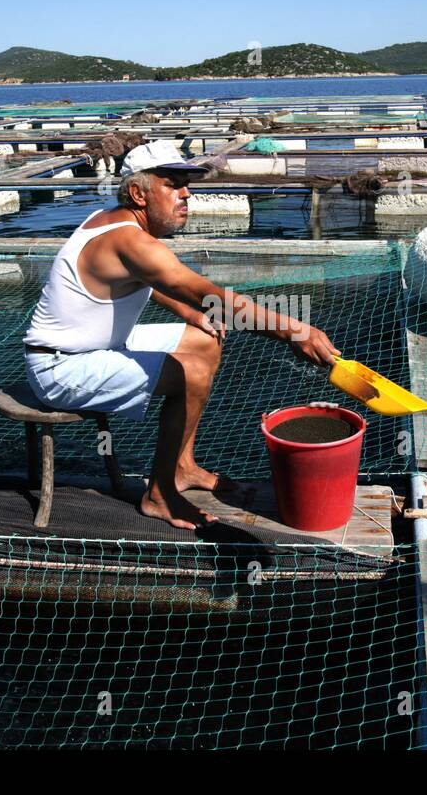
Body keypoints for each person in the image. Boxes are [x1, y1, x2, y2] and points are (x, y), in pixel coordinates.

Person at [22, 140, 340, 530]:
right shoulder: (130, 240)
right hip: (60, 368)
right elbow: (202, 291)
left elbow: (150, 284)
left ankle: (182, 467)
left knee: (203, 340)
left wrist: (189, 313)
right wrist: (293, 331)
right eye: (172, 184)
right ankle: (158, 495)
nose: (186, 193)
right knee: (191, 373)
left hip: (97, 347)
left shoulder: (114, 221)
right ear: (138, 193)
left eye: (186, 184)